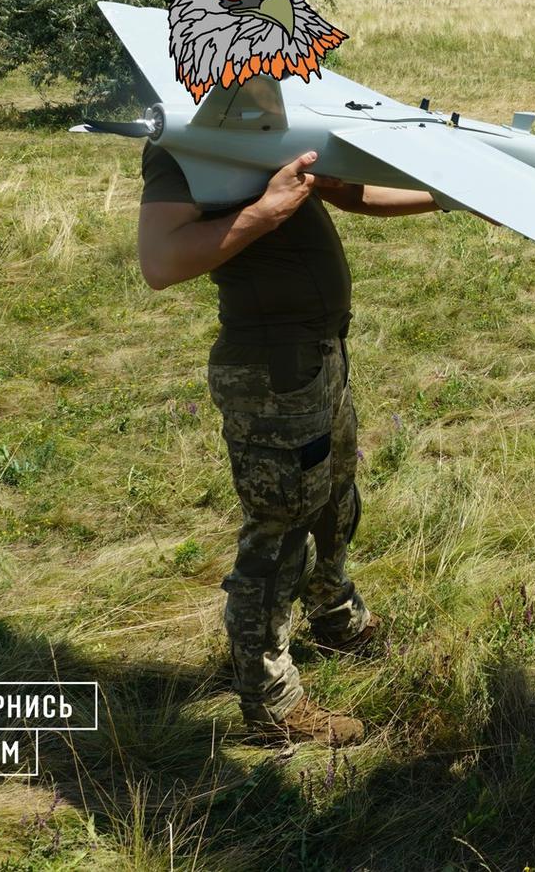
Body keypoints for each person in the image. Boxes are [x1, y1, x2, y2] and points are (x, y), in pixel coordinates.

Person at [137, 143, 448, 747]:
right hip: (271, 375)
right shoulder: (187, 142)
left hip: (321, 357)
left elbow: (351, 193)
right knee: (278, 539)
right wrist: (266, 211)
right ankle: (272, 705)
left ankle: (334, 614)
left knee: (335, 500)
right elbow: (161, 260)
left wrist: (447, 199)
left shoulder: (268, 127)